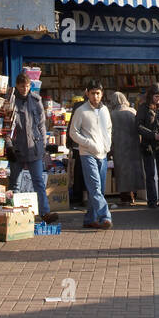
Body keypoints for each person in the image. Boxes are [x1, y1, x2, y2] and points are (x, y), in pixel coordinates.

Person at [6, 73, 59, 224]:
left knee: (39, 182)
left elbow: (42, 124)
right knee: (14, 183)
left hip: (34, 147)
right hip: (17, 147)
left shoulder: (36, 100)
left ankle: (45, 212)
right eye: (22, 86)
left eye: (28, 86)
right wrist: (8, 145)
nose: (25, 89)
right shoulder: (10, 100)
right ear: (17, 85)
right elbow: (5, 125)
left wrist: (43, 144)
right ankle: (12, 214)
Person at [68, 81, 113, 230]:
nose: (95, 96)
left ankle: (89, 219)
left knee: (99, 189)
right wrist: (87, 143)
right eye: (92, 93)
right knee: (94, 187)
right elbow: (73, 132)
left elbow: (108, 128)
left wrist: (108, 144)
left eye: (98, 93)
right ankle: (105, 216)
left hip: (103, 153)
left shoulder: (105, 110)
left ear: (102, 93)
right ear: (87, 93)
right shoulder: (81, 110)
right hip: (87, 153)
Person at [109, 90, 143, 207]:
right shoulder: (133, 111)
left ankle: (125, 197)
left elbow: (110, 132)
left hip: (119, 146)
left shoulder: (112, 114)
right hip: (134, 145)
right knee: (134, 171)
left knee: (122, 173)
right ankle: (133, 195)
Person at [137, 83, 159, 208]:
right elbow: (138, 126)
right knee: (150, 174)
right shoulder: (143, 108)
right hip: (148, 144)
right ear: (151, 96)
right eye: (156, 96)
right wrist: (152, 135)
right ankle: (152, 201)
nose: (158, 99)